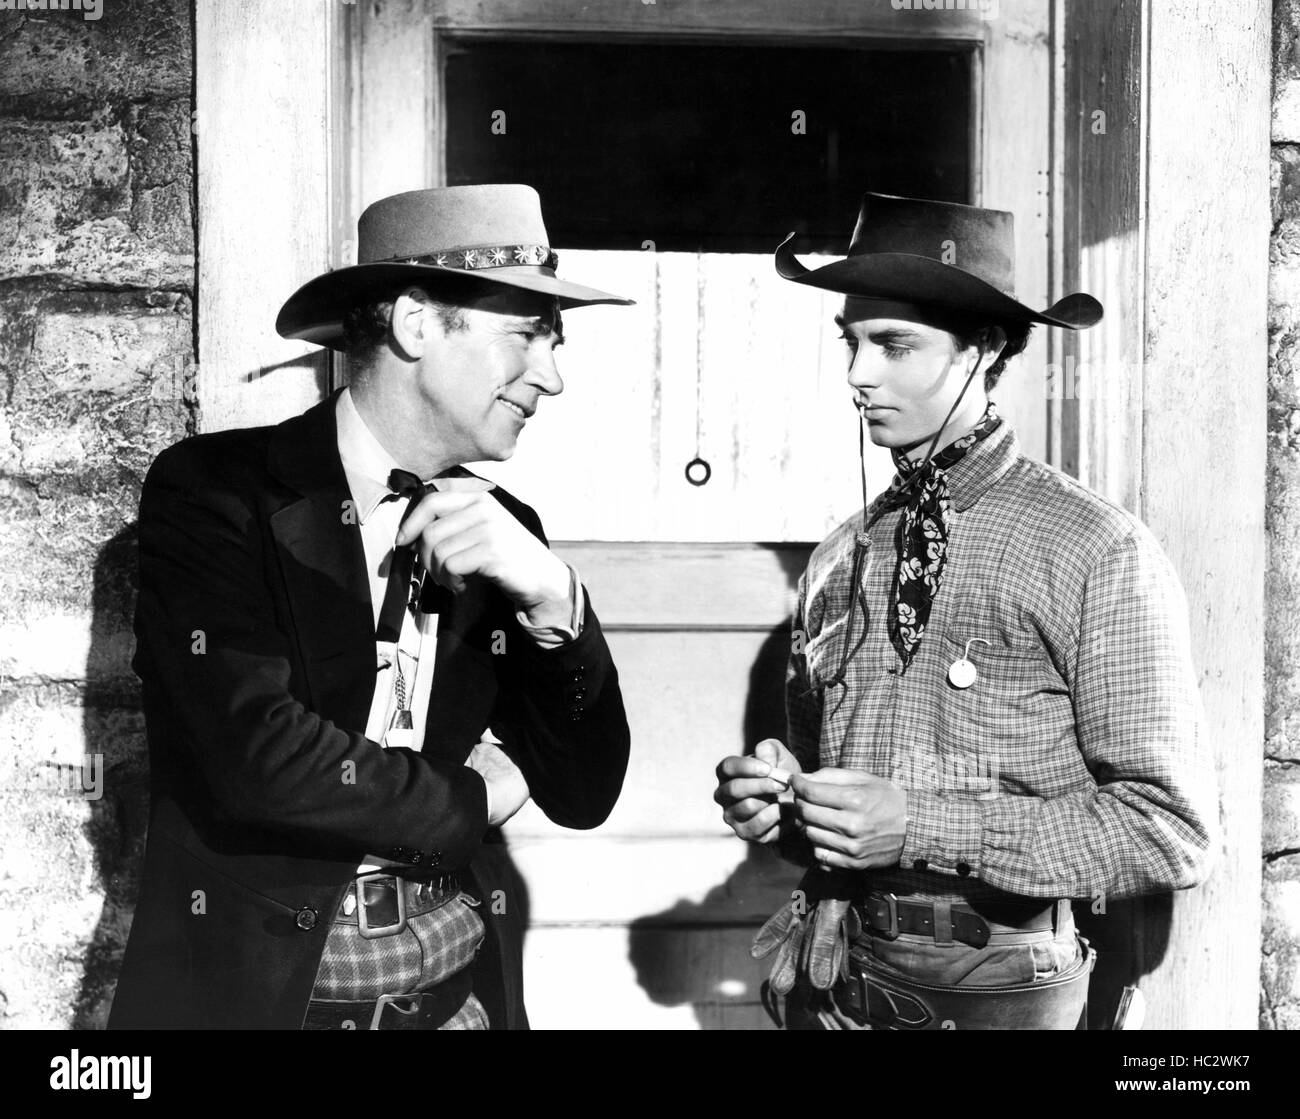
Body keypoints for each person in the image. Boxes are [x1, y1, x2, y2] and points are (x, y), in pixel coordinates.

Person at [109, 184, 633, 1030]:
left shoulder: (508, 533)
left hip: (460, 1003)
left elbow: (582, 788)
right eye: (528, 335)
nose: (554, 376)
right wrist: (476, 796)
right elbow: (260, 761)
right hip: (270, 1004)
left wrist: (555, 601)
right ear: (417, 324)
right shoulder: (215, 492)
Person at [713, 192, 1218, 1030]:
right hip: (838, 976)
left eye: (892, 345)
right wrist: (782, 800)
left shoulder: (1096, 550)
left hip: (1000, 989)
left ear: (983, 348)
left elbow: (1170, 830)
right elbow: (830, 817)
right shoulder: (840, 558)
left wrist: (919, 823)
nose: (856, 376)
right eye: (851, 342)